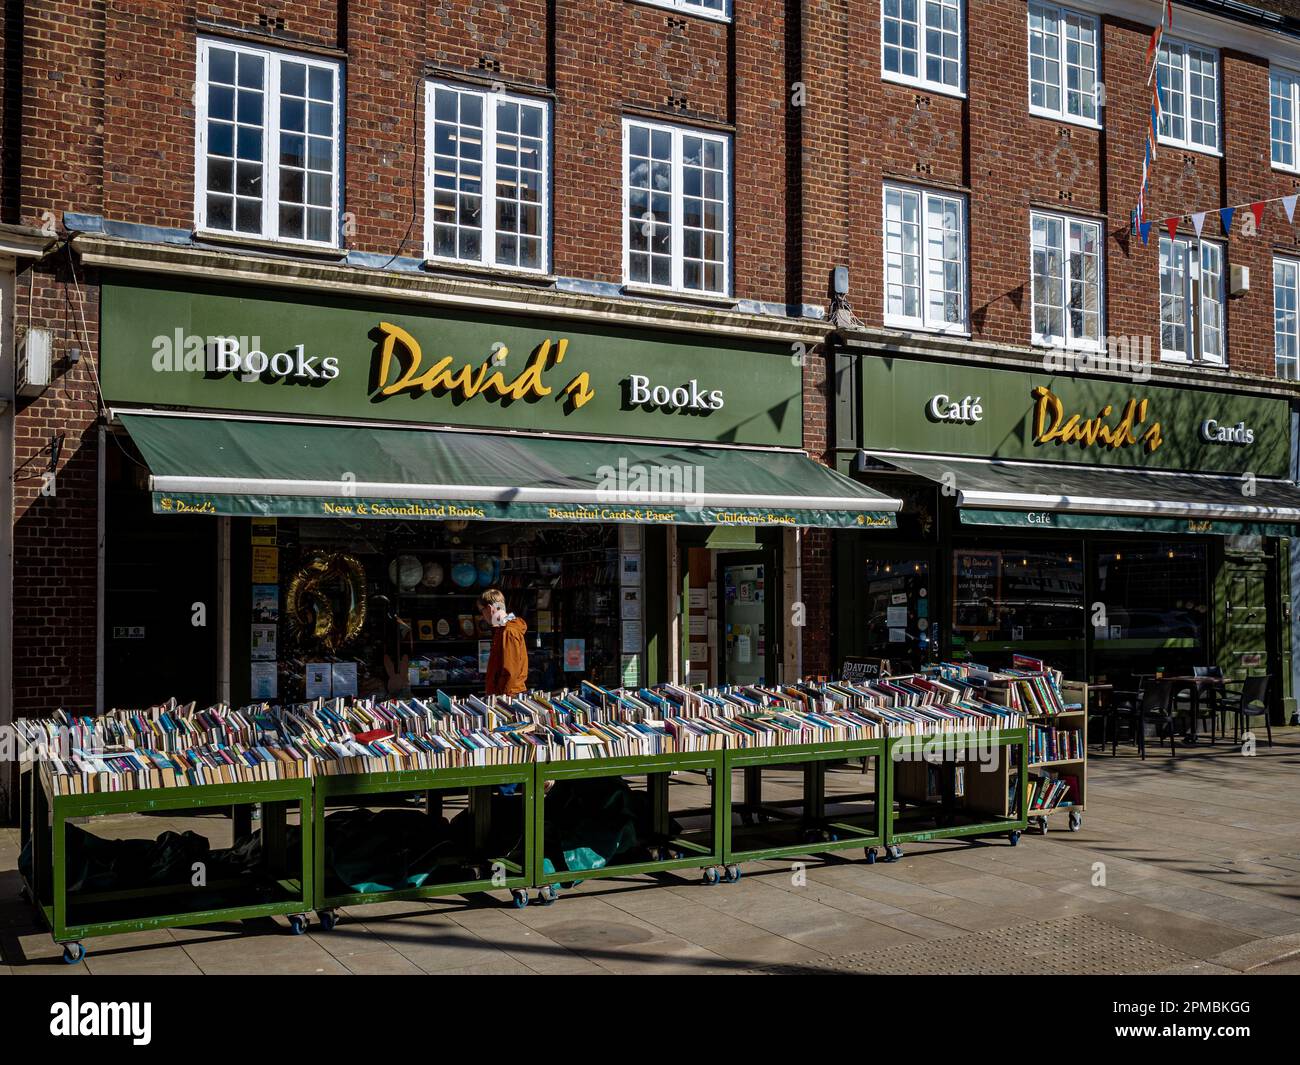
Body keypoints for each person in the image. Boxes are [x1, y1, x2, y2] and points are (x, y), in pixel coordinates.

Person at [480, 588, 529, 695]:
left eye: (481, 610)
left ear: (489, 608)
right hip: (507, 694)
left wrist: (501, 698)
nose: (482, 616)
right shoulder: (503, 630)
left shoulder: (508, 631)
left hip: (508, 696)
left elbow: (510, 670)